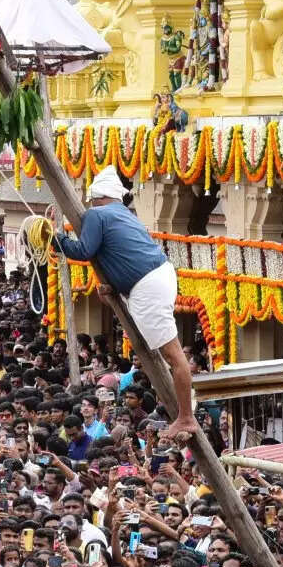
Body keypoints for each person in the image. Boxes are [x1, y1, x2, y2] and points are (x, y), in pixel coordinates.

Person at [48, 170, 199, 439]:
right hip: (155, 278)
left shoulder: (97, 214)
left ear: (97, 197)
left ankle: (186, 417)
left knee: (174, 356)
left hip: (148, 285)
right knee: (167, 354)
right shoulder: (123, 214)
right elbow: (120, 254)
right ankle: (184, 413)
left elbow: (83, 251)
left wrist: (53, 238)